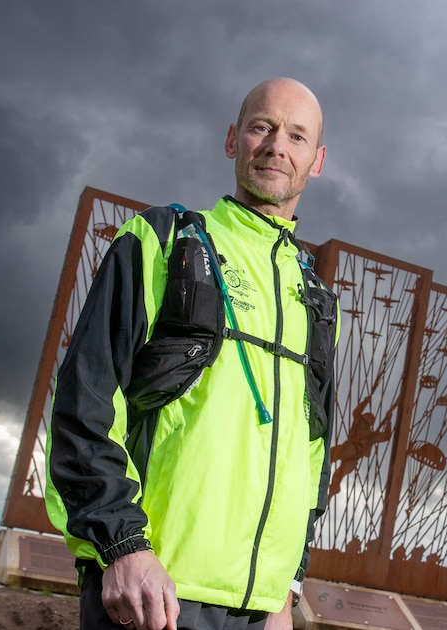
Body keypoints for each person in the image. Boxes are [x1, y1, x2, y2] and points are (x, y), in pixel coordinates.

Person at [44, 77, 336, 630]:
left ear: (316, 160)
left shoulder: (318, 302)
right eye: (262, 127)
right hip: (154, 596)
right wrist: (123, 547)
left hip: (259, 614)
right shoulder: (163, 240)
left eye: (297, 136)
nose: (278, 145)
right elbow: (84, 404)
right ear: (233, 139)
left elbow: (313, 457)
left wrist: (286, 590)